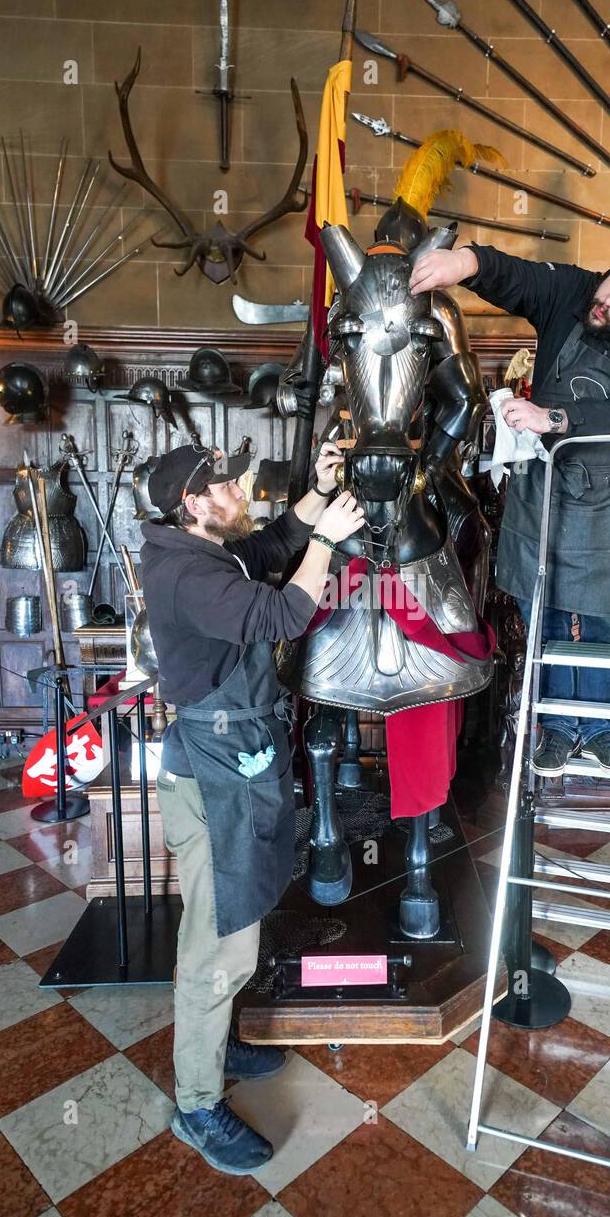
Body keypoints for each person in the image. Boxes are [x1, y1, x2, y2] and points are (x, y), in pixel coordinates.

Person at [139, 441, 364, 1174]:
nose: (242, 488)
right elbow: (281, 614)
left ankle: (221, 1040)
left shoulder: (207, 549)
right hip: (209, 774)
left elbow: (267, 546)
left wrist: (317, 495)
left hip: (238, 758)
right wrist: (328, 538)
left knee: (241, 915)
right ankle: (198, 1105)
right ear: (195, 505)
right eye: (228, 485)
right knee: (217, 947)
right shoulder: (184, 573)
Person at [410, 230, 610, 776]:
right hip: (538, 490)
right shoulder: (575, 290)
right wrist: (464, 261)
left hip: (606, 497)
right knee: (541, 612)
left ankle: (596, 726)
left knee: (599, 623)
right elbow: (515, 275)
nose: (608, 300)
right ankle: (559, 728)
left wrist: (555, 420)